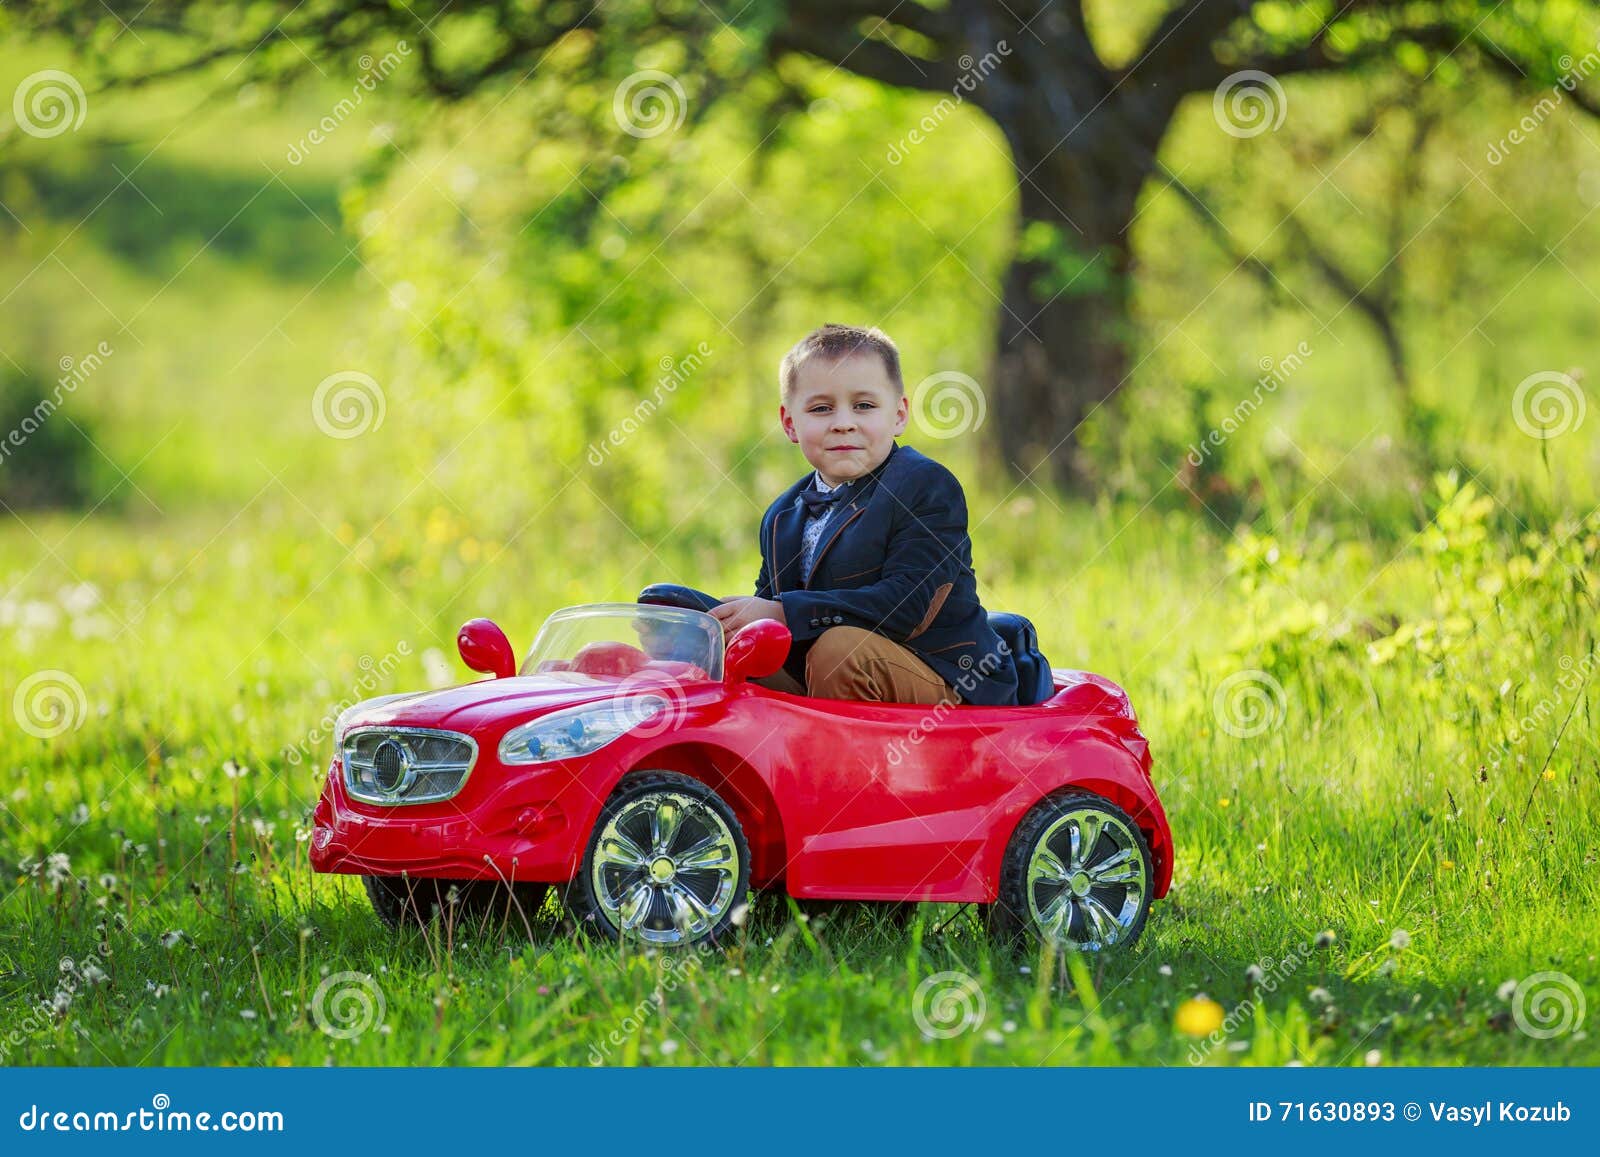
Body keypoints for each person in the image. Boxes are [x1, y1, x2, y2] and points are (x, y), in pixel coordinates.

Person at [710, 323, 1019, 707]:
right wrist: (728, 621)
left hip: (944, 677)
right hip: (824, 677)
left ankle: (843, 767)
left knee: (839, 648)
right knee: (726, 647)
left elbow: (907, 606)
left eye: (864, 406)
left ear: (899, 415)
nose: (843, 422)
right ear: (790, 423)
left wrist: (785, 611)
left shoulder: (924, 485)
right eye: (821, 409)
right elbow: (771, 610)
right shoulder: (782, 515)